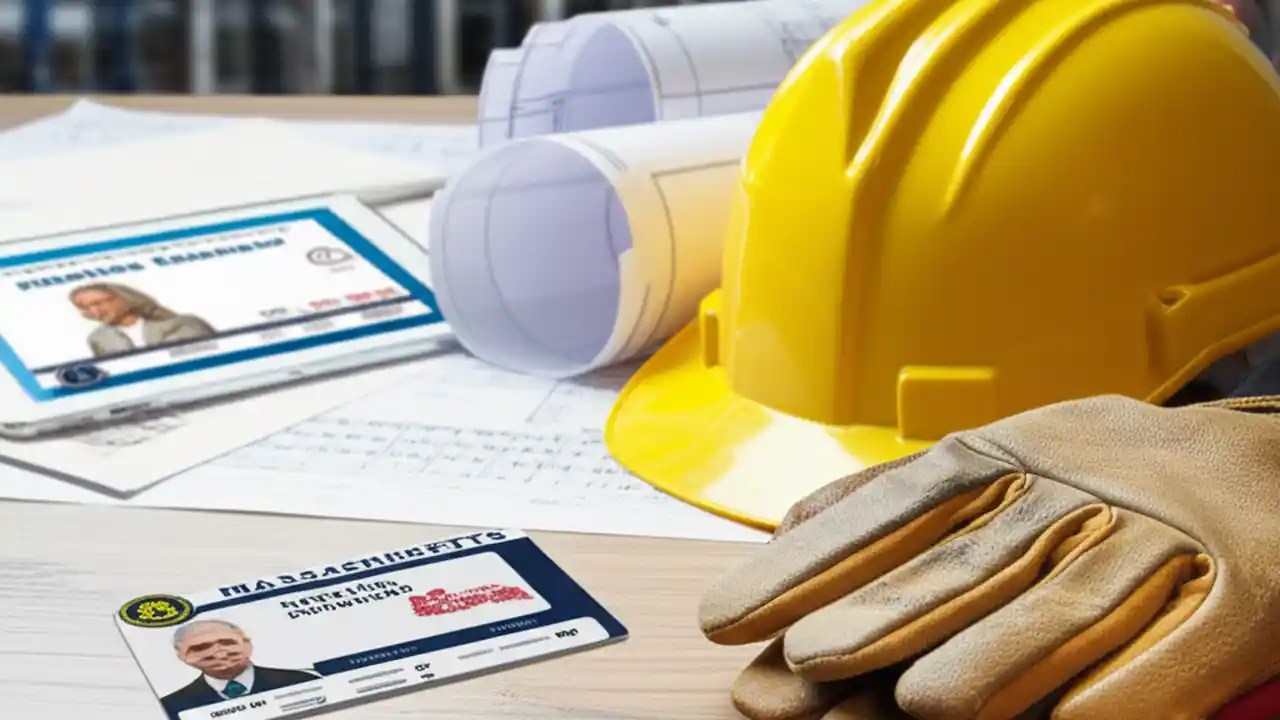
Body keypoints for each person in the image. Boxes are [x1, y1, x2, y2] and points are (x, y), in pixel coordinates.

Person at [159, 619, 317, 718]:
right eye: (201, 647)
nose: (219, 651)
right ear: (182, 657)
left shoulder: (302, 682)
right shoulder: (170, 707)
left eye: (227, 642)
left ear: (247, 644)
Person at [68, 282, 215, 357]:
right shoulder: (99, 338)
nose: (94, 311)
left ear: (125, 298)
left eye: (99, 303)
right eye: (85, 307)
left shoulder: (183, 323)